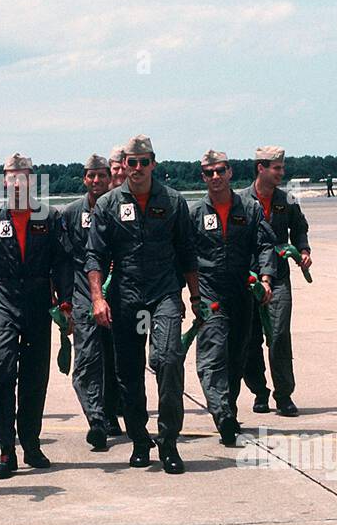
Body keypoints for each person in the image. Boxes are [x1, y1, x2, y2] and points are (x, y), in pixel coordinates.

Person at [86, 135, 199, 474]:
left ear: (153, 163)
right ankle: (139, 439)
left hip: (163, 296)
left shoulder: (174, 202)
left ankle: (168, 441)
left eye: (143, 162)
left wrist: (195, 298)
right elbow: (94, 255)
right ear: (124, 165)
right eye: (131, 162)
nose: (137, 169)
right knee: (129, 373)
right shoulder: (108, 204)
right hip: (126, 300)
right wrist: (97, 298)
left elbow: (187, 254)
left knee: (168, 360)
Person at [0, 153, 72, 477]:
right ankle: (4, 449)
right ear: (4, 180)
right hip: (3, 302)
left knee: (34, 378)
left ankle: (30, 443)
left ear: (31, 179)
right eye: (11, 175)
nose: (17, 181)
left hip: (36, 301)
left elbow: (62, 261)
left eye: (23, 175)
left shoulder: (49, 217)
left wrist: (66, 302)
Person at [191, 150, 277, 446]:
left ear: (230, 173)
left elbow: (265, 244)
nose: (215, 177)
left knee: (236, 356)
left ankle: (227, 407)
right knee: (213, 353)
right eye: (208, 172)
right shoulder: (195, 214)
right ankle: (222, 413)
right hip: (210, 292)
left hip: (243, 291)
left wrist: (265, 279)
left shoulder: (250, 210)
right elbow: (183, 256)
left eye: (220, 170)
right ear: (203, 177)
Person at [240, 145, 309, 417]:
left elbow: (300, 227)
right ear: (261, 168)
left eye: (282, 167)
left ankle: (284, 395)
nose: (281, 172)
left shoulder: (287, 201)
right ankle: (259, 391)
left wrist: (303, 250)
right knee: (250, 339)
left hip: (279, 277)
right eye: (276, 168)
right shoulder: (241, 201)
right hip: (250, 278)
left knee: (279, 335)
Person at [59, 154, 123, 448]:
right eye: (90, 176)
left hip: (120, 293)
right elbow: (62, 260)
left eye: (101, 175)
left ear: (110, 178)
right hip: (84, 294)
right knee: (87, 360)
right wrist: (63, 303)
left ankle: (113, 413)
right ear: (83, 179)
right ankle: (95, 419)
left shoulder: (121, 209)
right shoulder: (71, 213)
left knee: (117, 360)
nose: (96, 181)